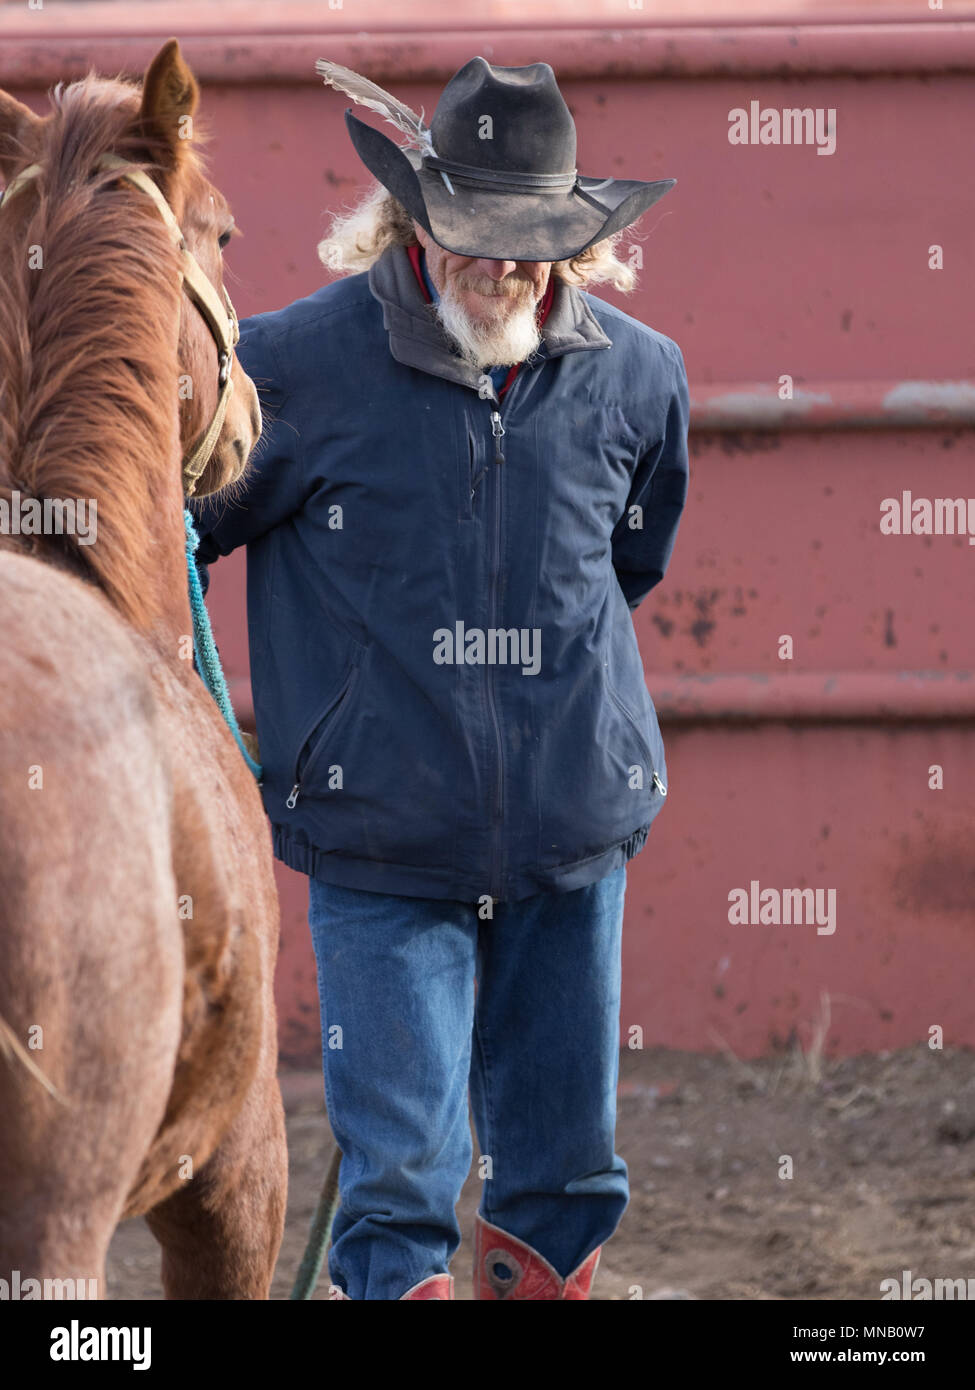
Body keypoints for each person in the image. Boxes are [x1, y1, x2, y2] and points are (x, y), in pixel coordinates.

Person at [191, 55, 689, 1301]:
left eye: (533, 242)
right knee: (404, 1177)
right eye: (473, 232)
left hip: (573, 835)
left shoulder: (640, 375)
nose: (503, 264)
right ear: (411, 219)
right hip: (381, 854)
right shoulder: (290, 369)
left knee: (568, 1172)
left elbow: (632, 556)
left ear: (575, 241)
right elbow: (174, 541)